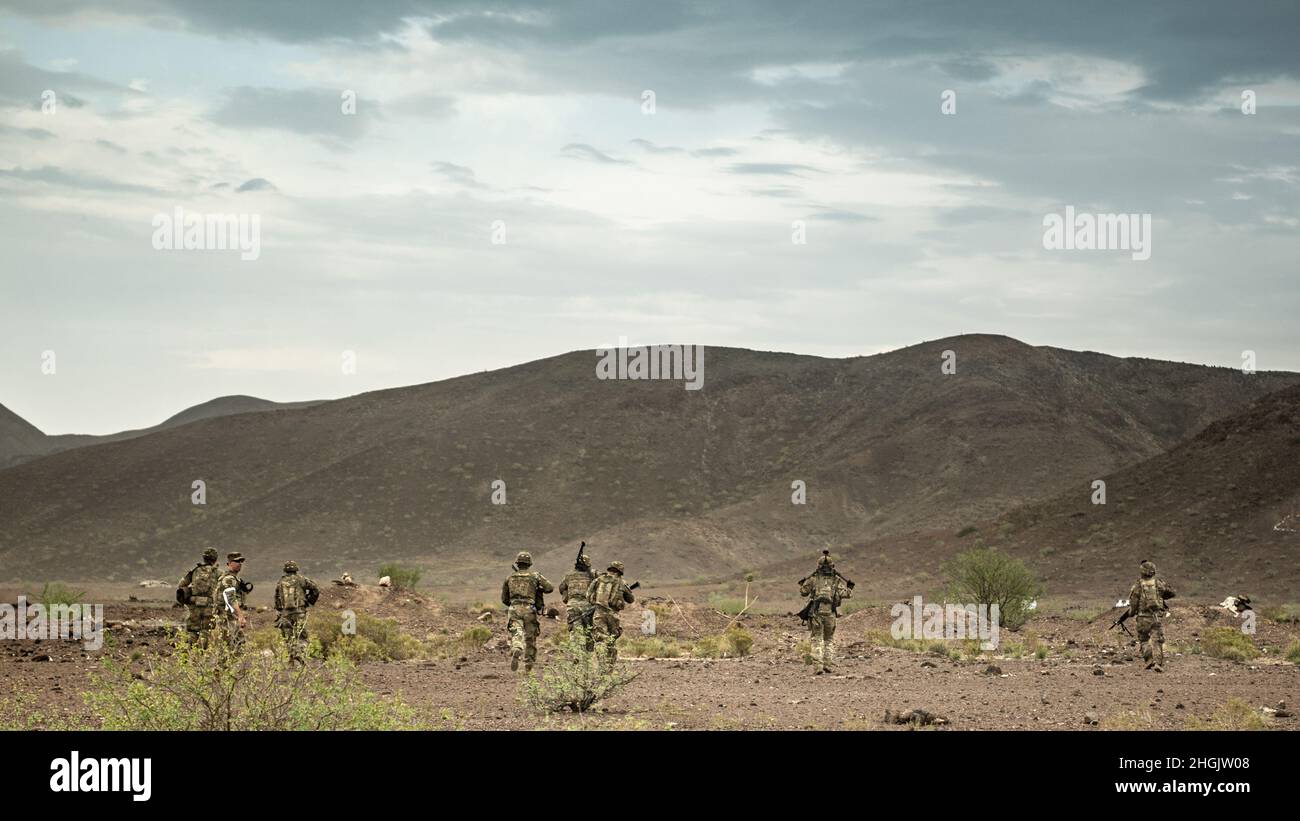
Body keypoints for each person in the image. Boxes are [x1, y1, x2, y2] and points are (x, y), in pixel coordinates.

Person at [798, 552, 852, 675]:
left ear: (818, 566)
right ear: (832, 566)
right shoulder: (836, 580)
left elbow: (803, 592)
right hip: (830, 614)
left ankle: (818, 667)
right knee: (829, 639)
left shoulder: (813, 579)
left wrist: (802, 584)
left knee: (817, 639)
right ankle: (827, 664)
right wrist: (849, 587)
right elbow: (846, 594)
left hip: (816, 613)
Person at [500, 551, 553, 672]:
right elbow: (549, 588)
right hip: (529, 609)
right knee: (530, 638)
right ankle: (528, 665)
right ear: (529, 564)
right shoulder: (535, 576)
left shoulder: (509, 577)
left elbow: (504, 599)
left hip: (514, 608)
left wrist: (514, 604)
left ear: (517, 563)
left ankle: (517, 647)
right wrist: (538, 589)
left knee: (516, 632)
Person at [1127, 560, 1175, 671]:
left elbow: (1133, 605)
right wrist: (1161, 596)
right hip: (1156, 617)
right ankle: (1158, 663)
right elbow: (1172, 593)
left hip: (1143, 618)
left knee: (1144, 639)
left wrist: (1130, 613)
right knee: (1157, 640)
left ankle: (1149, 659)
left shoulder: (1138, 585)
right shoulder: (1159, 583)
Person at [586, 561, 635, 662]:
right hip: (613, 615)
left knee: (600, 639)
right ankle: (610, 666)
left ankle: (601, 664)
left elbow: (588, 596)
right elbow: (631, 599)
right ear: (620, 571)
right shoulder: (622, 582)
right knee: (611, 640)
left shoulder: (597, 580)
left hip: (598, 613)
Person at [274, 561, 320, 664]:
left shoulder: (280, 582)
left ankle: (292, 660)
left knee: (288, 637)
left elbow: (277, 599)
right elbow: (316, 590)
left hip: (285, 614)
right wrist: (309, 600)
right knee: (302, 636)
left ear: (285, 570)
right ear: (296, 569)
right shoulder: (302, 579)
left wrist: (279, 612)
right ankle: (302, 658)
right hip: (300, 612)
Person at [180, 548, 221, 646]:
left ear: (204, 558)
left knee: (192, 630)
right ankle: (202, 653)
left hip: (194, 604)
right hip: (209, 605)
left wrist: (190, 595)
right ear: (215, 559)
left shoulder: (194, 570)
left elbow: (182, 585)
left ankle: (187, 652)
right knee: (206, 630)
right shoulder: (218, 572)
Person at [558, 550, 597, 648]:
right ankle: (588, 652)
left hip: (572, 606)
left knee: (575, 630)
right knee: (589, 630)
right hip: (588, 607)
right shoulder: (592, 576)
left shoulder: (569, 575)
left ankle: (576, 652)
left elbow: (561, 588)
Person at [215, 552, 249, 650]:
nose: (240, 564)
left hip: (231, 618)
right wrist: (240, 616)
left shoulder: (234, 579)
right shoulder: (228, 579)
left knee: (238, 645)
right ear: (229, 563)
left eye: (241, 561)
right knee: (229, 647)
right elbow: (230, 599)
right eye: (237, 561)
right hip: (227, 618)